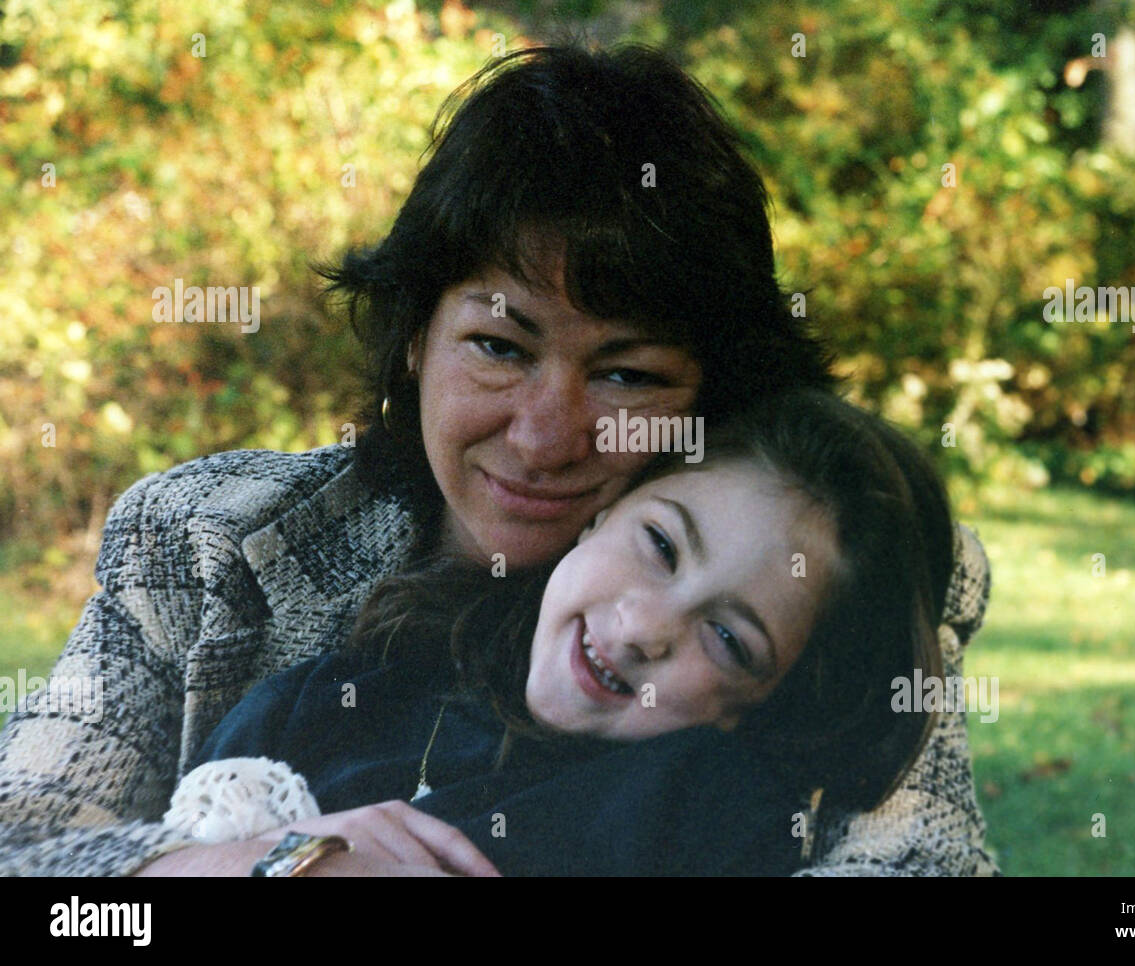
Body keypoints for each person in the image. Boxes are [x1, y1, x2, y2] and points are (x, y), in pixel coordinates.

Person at [0, 43, 995, 877]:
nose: (542, 434)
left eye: (626, 377)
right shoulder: (206, 541)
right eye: (500, 346)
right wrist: (263, 865)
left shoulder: (837, 571)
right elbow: (24, 838)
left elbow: (916, 866)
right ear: (414, 335)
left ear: (709, 402)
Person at [169, 390, 952, 876]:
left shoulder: (700, 815)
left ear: (760, 704)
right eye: (661, 545)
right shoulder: (322, 702)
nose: (645, 627)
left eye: (729, 641)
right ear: (602, 513)